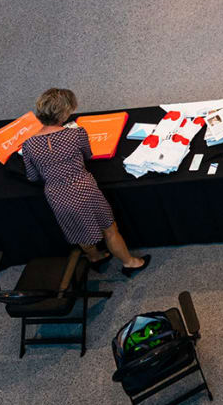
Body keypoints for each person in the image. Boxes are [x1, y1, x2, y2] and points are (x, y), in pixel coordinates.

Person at [20, 88, 149, 275]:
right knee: (110, 230)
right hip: (84, 190)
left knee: (80, 233)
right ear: (64, 113)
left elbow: (32, 176)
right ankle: (130, 262)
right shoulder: (76, 134)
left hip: (57, 196)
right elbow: (88, 155)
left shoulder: (29, 144)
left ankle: (95, 258)